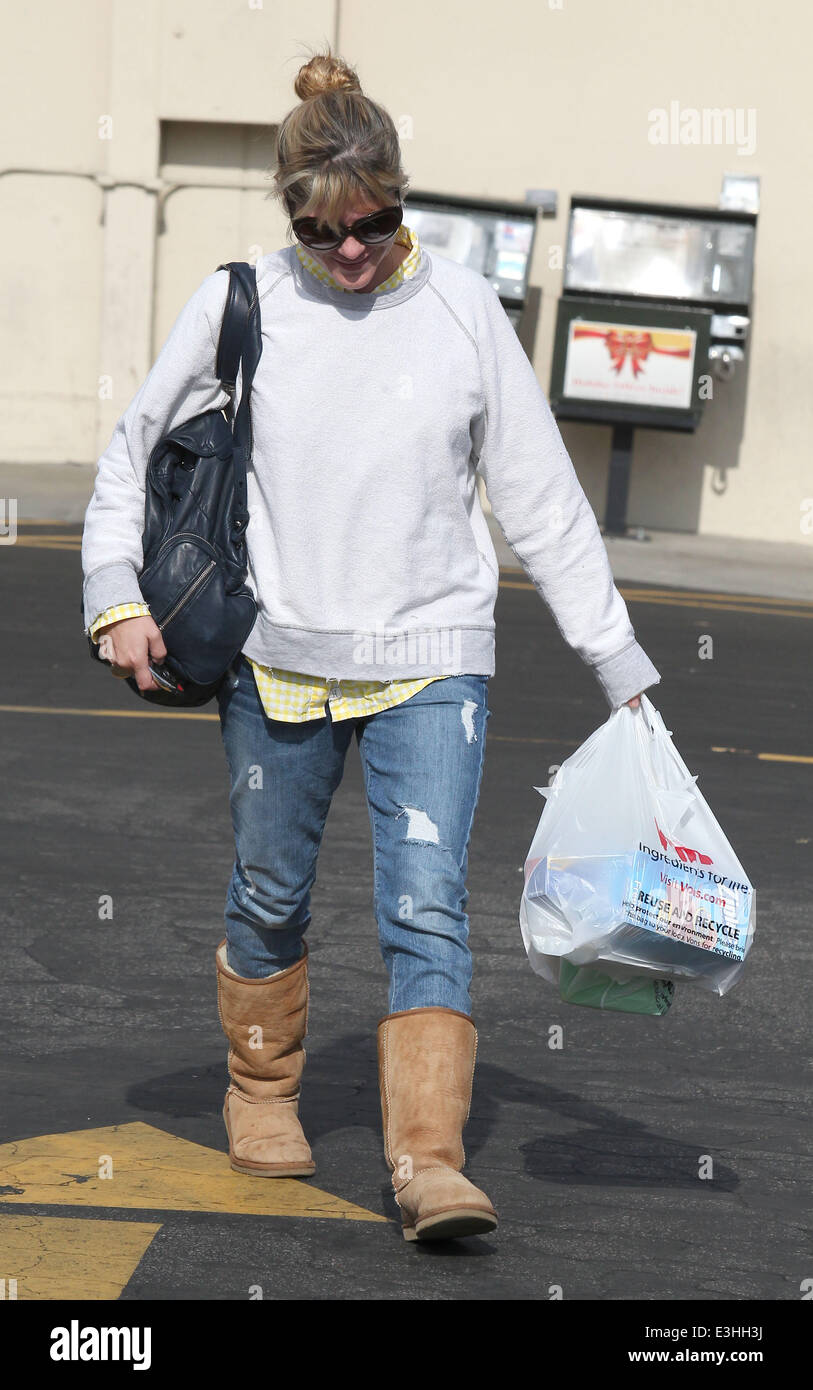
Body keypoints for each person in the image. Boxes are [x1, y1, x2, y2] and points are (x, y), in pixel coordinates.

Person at [81, 46, 660, 1244]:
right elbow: (132, 450)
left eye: (376, 225)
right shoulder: (242, 298)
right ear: (291, 213)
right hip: (275, 658)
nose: (350, 253)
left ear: (405, 196)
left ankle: (427, 1160)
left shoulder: (462, 313)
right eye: (323, 230)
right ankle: (260, 1092)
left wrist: (621, 669)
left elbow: (545, 502)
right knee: (269, 889)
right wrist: (114, 596)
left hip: (432, 663)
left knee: (429, 907)